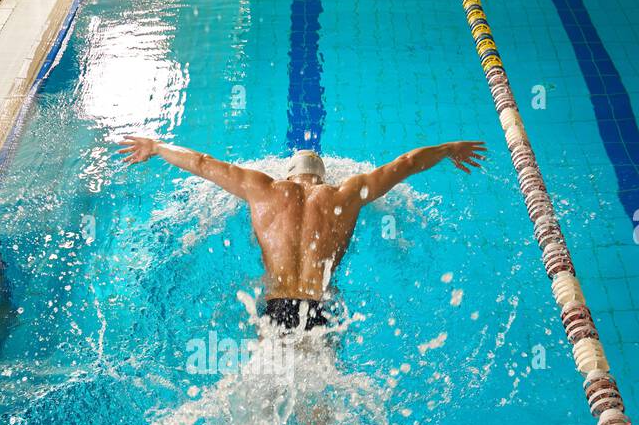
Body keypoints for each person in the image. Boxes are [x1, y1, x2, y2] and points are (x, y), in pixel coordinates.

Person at [119, 137, 487, 328]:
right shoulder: (346, 194)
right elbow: (405, 164)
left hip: (273, 306)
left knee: (264, 395)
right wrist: (448, 149)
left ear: (288, 173)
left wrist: (156, 147)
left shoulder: (261, 188)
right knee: (318, 411)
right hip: (319, 310)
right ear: (323, 176)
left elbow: (202, 163)